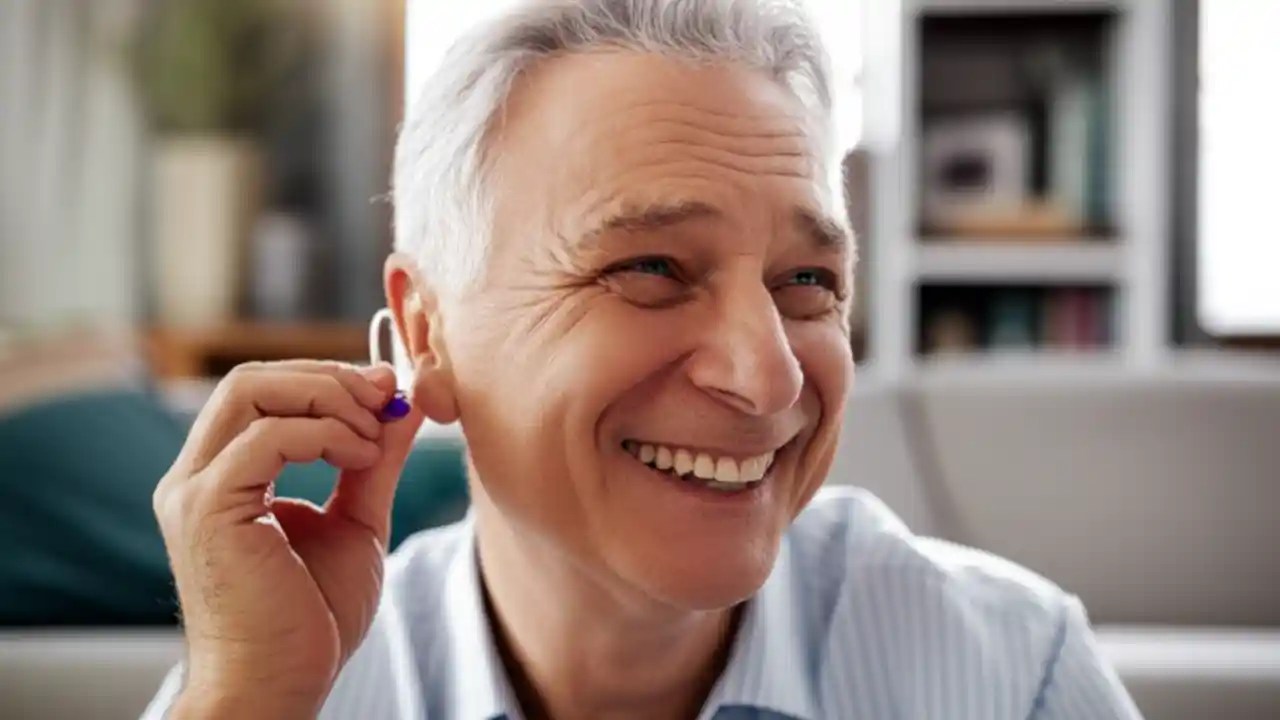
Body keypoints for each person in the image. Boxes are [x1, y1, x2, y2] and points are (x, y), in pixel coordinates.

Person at [144, 1, 1142, 718]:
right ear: (426, 332)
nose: (769, 378)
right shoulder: (281, 679)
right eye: (650, 267)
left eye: (806, 284)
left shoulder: (1013, 673)